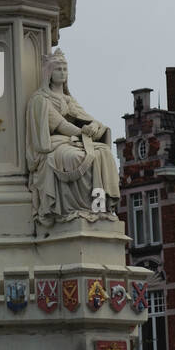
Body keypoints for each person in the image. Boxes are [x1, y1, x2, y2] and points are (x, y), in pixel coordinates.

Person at [25, 50, 120, 232]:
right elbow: (61, 125)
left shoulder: (69, 99)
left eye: (64, 69)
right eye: (58, 69)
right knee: (73, 157)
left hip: (75, 139)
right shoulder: (41, 100)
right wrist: (83, 132)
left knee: (104, 153)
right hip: (55, 144)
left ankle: (99, 207)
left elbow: (87, 118)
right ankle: (74, 208)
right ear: (49, 74)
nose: (62, 72)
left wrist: (94, 126)